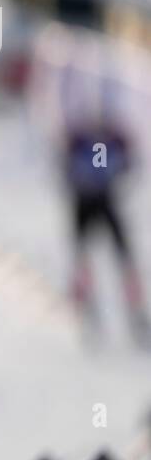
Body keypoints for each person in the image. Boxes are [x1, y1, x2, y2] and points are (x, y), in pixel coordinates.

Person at [62, 105, 148, 343]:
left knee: (122, 259)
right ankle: (87, 316)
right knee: (84, 262)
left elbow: (128, 163)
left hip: (102, 201)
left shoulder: (104, 139)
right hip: (88, 202)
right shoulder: (80, 140)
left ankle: (135, 315)